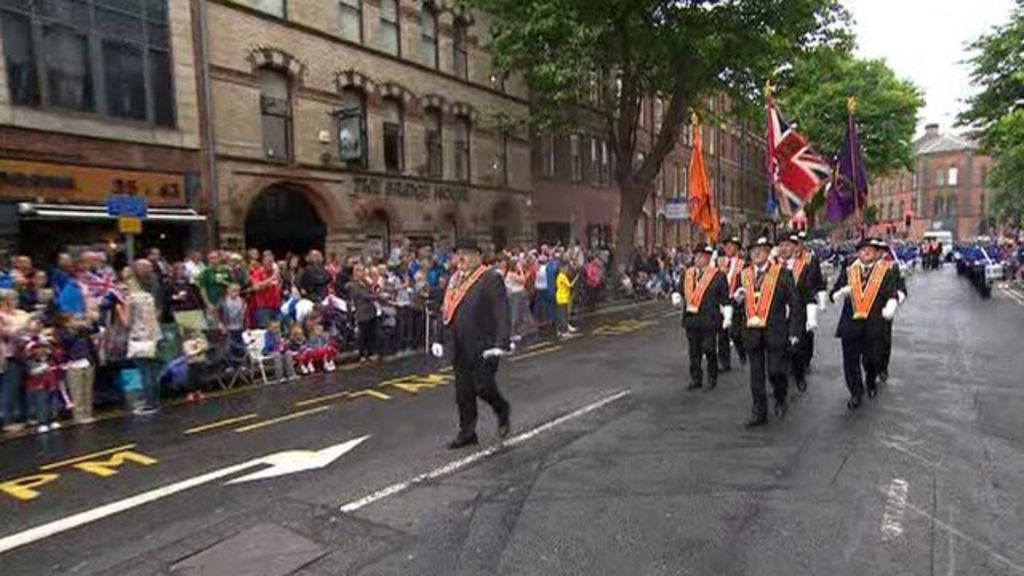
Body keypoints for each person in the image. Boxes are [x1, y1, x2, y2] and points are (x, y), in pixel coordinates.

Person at [433, 238, 512, 450]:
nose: (461, 258)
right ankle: (467, 432)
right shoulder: (454, 280)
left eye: (466, 253)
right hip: (459, 346)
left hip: (484, 347)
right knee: (463, 392)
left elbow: (501, 312)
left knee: (483, 386)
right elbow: (446, 311)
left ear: (478, 256)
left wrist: (501, 342)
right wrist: (439, 337)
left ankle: (502, 408)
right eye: (458, 253)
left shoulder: (489, 278)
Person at [737, 237, 804, 427]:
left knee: (776, 371)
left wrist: (794, 331)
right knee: (755, 375)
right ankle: (759, 412)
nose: (756, 254)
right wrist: (736, 301)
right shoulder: (744, 275)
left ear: (768, 253)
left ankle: (781, 397)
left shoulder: (782, 274)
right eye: (753, 251)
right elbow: (736, 304)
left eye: (761, 250)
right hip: (752, 332)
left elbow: (795, 304)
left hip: (776, 331)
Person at [829, 237, 901, 410]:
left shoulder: (886, 272)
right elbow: (833, 293)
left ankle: (871, 380)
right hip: (850, 325)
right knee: (850, 362)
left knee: (872, 360)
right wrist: (839, 294)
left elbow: (893, 294)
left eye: (870, 250)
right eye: (862, 250)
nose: (866, 252)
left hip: (873, 325)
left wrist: (891, 307)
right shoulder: (849, 270)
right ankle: (856, 393)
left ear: (877, 254)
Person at [677, 244, 729, 391]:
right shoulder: (687, 274)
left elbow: (724, 298)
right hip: (691, 318)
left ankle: (712, 376)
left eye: (702, 256)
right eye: (697, 256)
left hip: (710, 319)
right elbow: (680, 290)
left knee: (709, 348)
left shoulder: (718, 276)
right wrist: (676, 296)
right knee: (694, 351)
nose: (698, 259)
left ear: (707, 258)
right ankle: (696, 378)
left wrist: (727, 314)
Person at [778, 233, 819, 393]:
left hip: (797, 313)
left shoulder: (804, 266)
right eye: (781, 245)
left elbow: (809, 291)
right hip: (777, 315)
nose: (784, 248)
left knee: (796, 349)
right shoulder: (773, 266)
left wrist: (811, 315)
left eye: (788, 245)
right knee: (777, 349)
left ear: (795, 248)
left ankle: (799, 375)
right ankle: (779, 384)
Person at [123, 261, 163, 416]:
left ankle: (149, 404)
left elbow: (127, 322)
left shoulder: (131, 299)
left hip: (138, 337)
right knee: (152, 370)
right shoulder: (148, 297)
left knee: (144, 371)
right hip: (152, 335)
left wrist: (120, 310)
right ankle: (155, 400)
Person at [876, 240, 907, 385]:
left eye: (881, 250)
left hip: (885, 309)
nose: (880, 253)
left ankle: (883, 368)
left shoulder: (892, 267)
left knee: (885, 340)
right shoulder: (864, 266)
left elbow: (901, 288)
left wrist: (894, 302)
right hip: (867, 309)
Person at [718, 237, 747, 370]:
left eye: (732, 246)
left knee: (735, 333)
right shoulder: (718, 262)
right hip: (720, 301)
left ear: (737, 249)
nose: (729, 248)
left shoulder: (743, 264)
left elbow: (747, 280)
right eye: (727, 246)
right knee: (722, 333)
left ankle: (742, 352)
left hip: (736, 301)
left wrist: (740, 291)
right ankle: (725, 363)